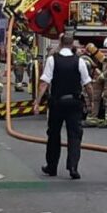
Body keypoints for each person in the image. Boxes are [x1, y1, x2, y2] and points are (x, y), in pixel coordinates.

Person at [34, 31, 92, 179]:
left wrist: (37, 102)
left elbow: (44, 83)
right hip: (74, 102)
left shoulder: (52, 60)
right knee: (74, 135)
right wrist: (91, 103)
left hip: (57, 103)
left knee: (53, 134)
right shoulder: (79, 61)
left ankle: (52, 167)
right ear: (72, 44)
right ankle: (73, 167)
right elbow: (88, 84)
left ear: (60, 44)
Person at [82, 42, 105, 126]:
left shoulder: (84, 61)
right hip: (93, 80)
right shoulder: (88, 61)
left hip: (92, 81)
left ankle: (91, 117)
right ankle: (92, 116)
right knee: (93, 98)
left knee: (92, 98)